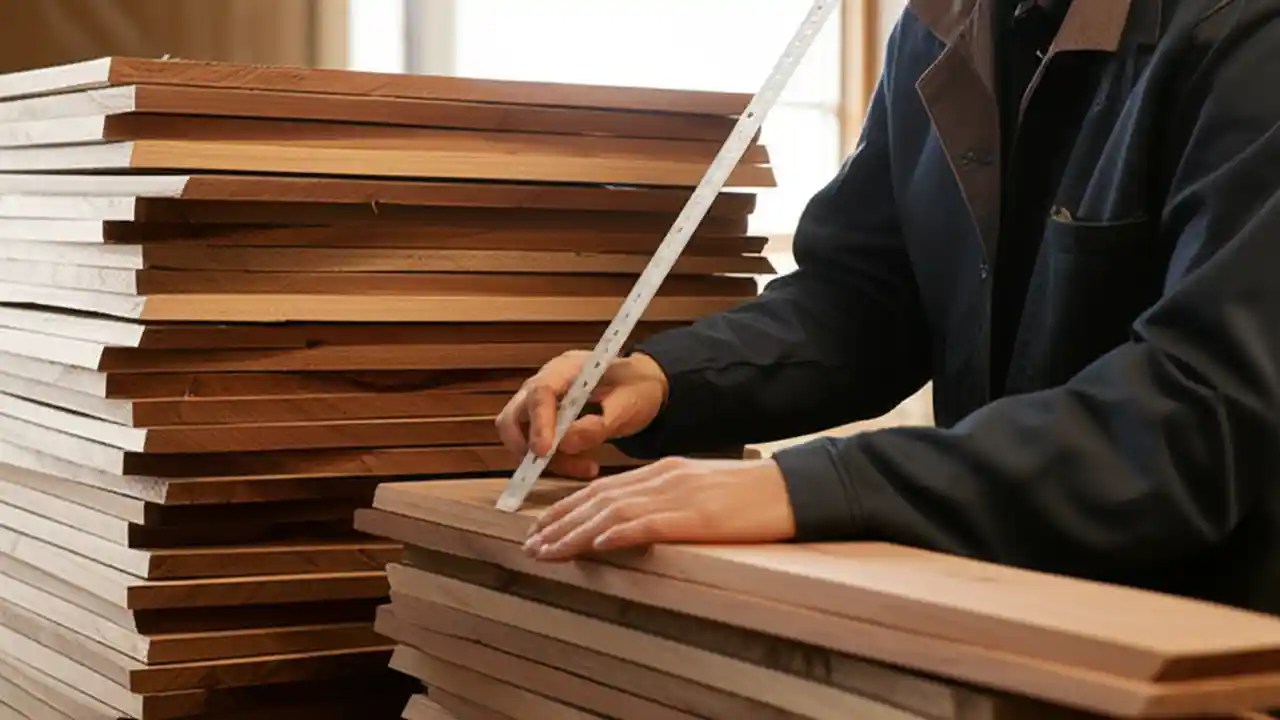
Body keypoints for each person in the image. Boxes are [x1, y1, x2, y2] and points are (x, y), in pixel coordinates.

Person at [496, 0, 1280, 614]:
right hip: (1018, 603)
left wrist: (820, 486)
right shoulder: (944, 27)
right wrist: (673, 376)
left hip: (1219, 633)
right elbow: (871, 298)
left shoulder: (1250, 37)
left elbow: (1203, 412)